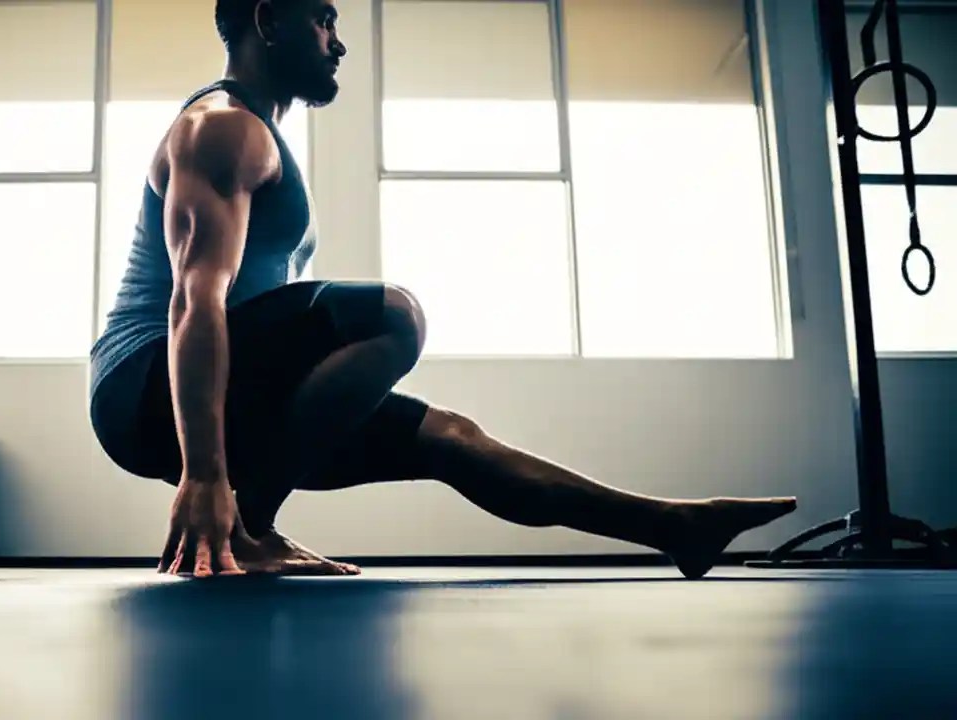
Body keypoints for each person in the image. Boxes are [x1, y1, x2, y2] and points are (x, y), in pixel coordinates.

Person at [88, 0, 796, 579]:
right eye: (323, 20)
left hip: (229, 387)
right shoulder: (222, 129)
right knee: (394, 317)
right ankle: (253, 524)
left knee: (452, 439)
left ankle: (674, 526)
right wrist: (205, 474)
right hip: (144, 386)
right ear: (268, 20)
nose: (338, 43)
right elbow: (195, 300)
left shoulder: (259, 137)